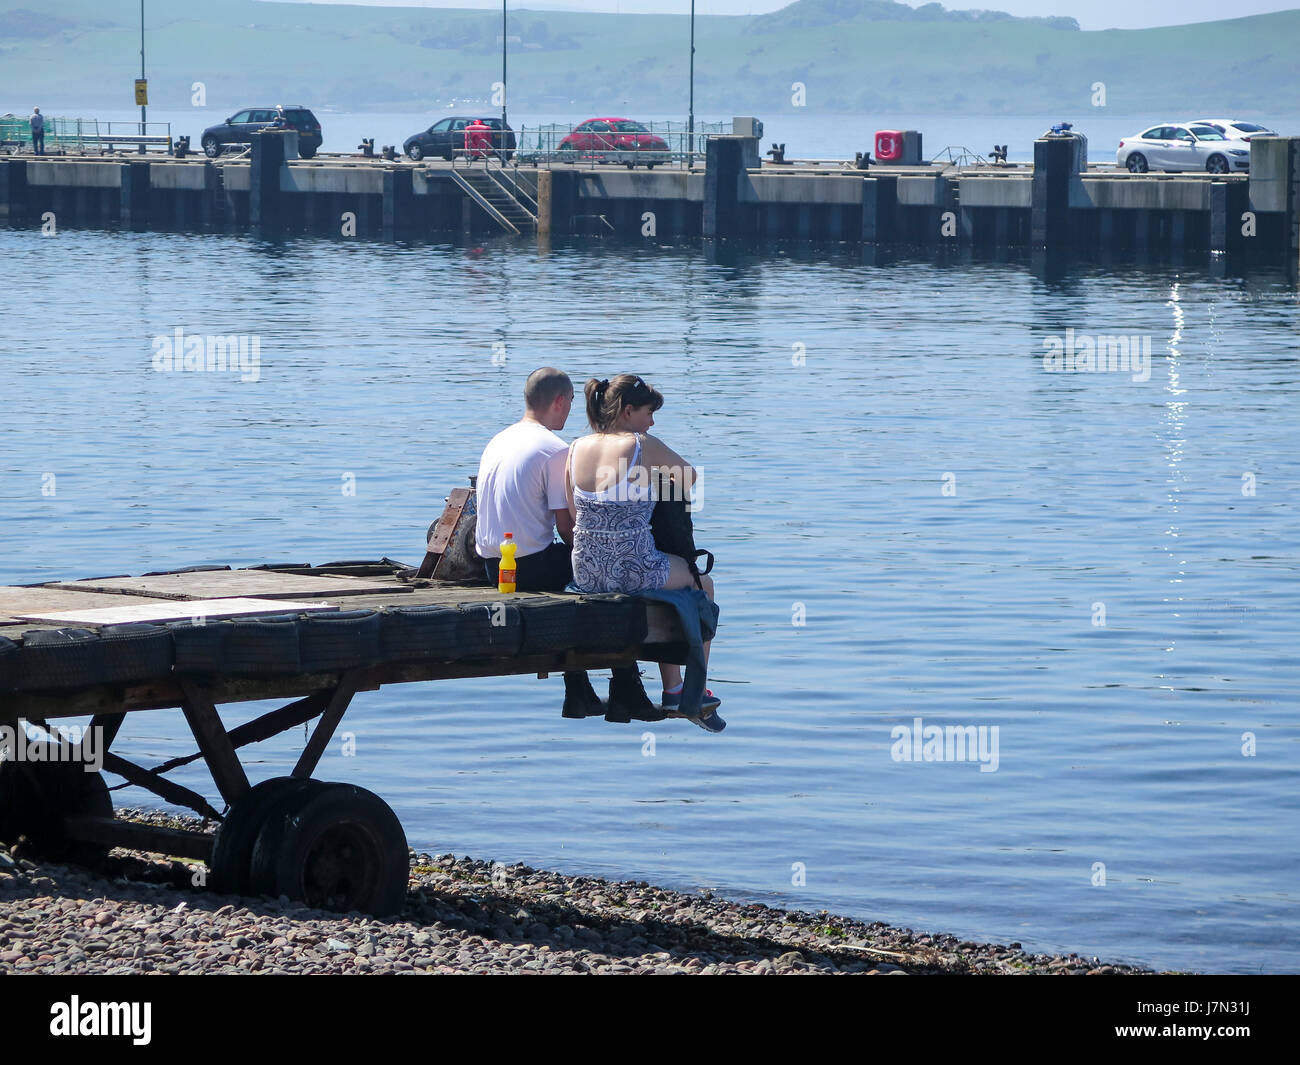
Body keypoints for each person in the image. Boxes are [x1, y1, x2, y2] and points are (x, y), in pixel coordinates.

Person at [475, 367, 658, 722]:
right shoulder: (554, 450)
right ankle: (627, 689)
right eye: (572, 402)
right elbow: (568, 527)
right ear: (559, 402)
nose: (573, 410)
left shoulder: (499, 439)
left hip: (492, 567)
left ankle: (580, 693)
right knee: (609, 578)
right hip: (530, 566)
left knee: (587, 575)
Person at [566, 374, 723, 730]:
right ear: (627, 410)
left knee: (671, 581)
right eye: (648, 413)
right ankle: (690, 692)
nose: (651, 422)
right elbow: (689, 478)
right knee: (702, 584)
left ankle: (675, 688)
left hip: (586, 572)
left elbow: (575, 515)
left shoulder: (575, 447)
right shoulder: (641, 444)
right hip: (632, 569)